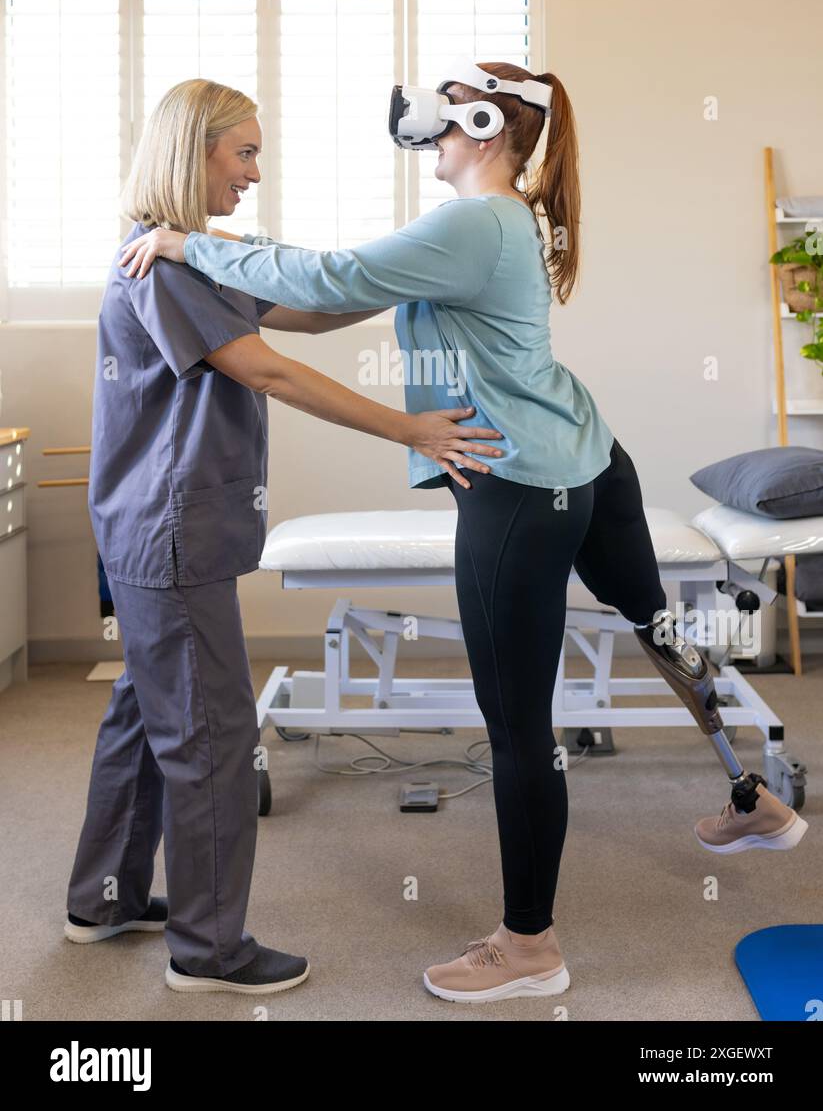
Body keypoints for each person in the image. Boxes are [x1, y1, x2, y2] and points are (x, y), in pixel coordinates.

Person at [121, 63, 804, 1004]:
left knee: (518, 726)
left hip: (517, 482)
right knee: (659, 627)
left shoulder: (471, 221)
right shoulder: (498, 221)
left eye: (442, 127)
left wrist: (188, 242)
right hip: (591, 457)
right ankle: (751, 797)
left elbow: (331, 276)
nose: (430, 141)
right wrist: (220, 256)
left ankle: (530, 946)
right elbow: (326, 301)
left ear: (483, 128)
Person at [66, 78, 506, 997]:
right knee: (213, 736)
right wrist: (412, 428)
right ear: (196, 154)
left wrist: (403, 270)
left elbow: (308, 304)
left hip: (156, 526)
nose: (254, 175)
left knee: (146, 718)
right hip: (169, 529)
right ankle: (210, 952)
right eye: (244, 154)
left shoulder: (200, 254)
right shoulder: (169, 263)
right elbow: (271, 370)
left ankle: (102, 898)